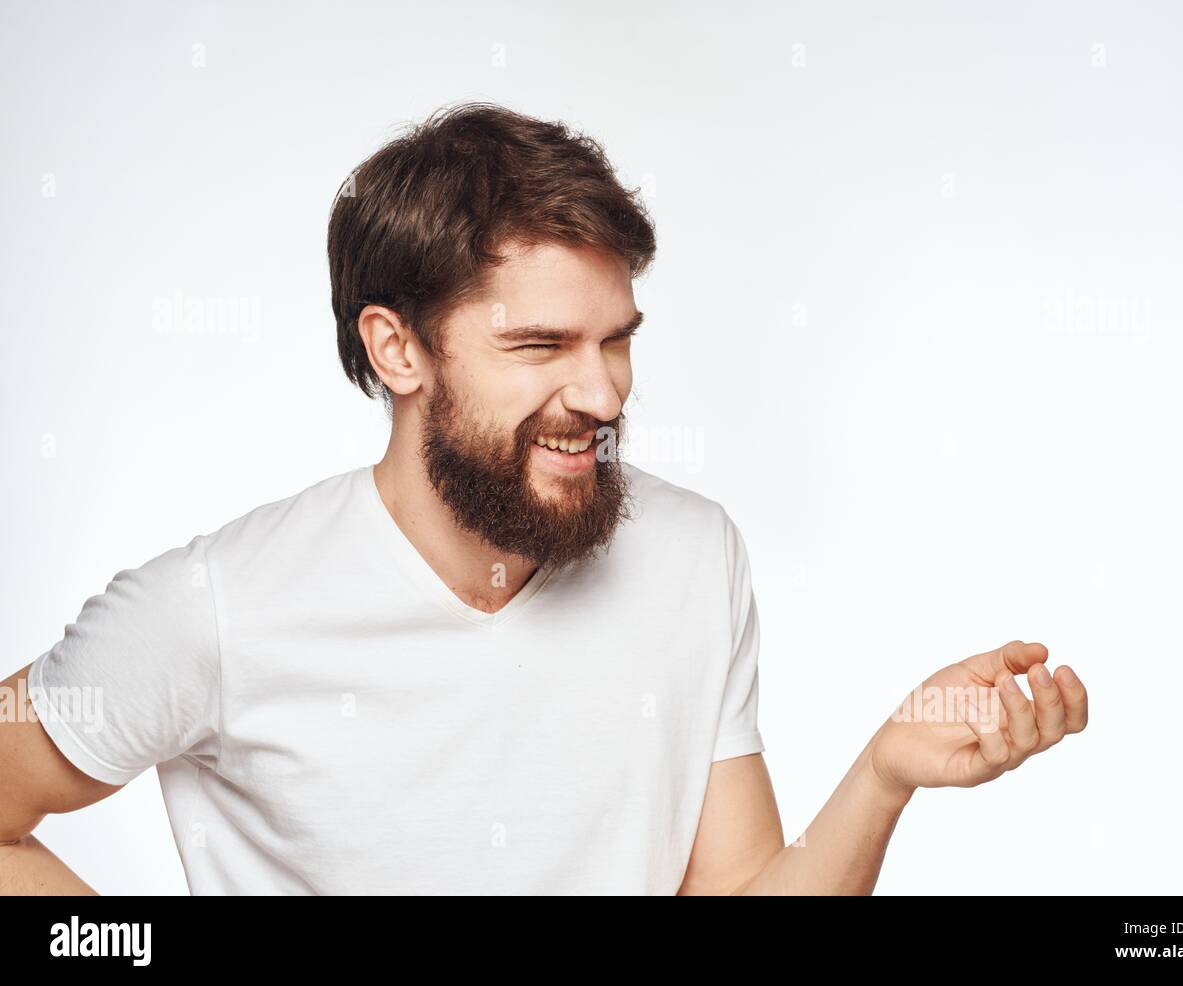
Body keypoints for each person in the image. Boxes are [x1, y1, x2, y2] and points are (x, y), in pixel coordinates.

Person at [0, 102, 1087, 895]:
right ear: (398, 348)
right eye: (540, 345)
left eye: (616, 340)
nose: (603, 392)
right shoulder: (215, 606)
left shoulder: (691, 556)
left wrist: (884, 772)